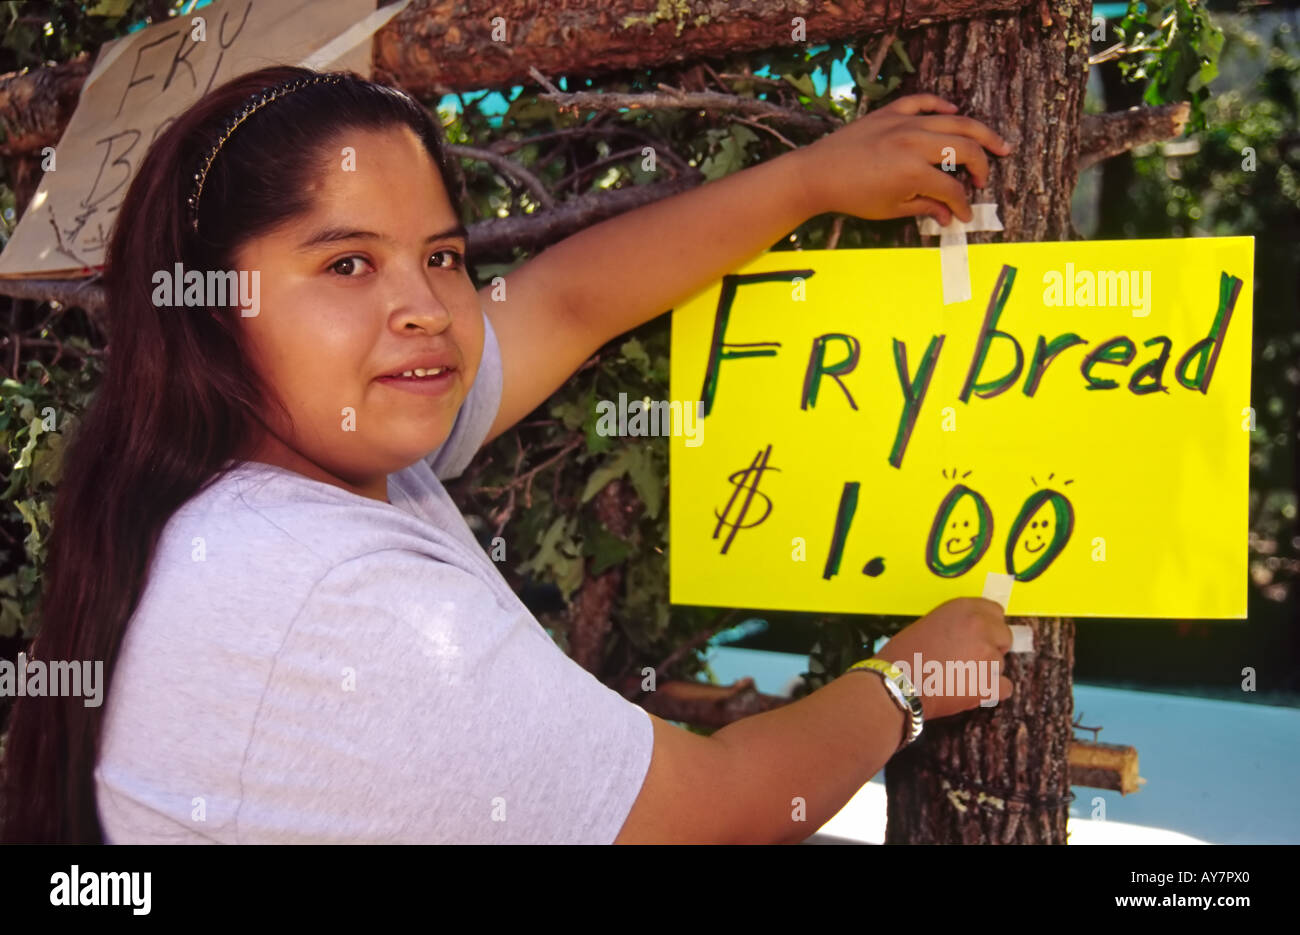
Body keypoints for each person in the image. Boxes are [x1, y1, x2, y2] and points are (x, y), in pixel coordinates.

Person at [0, 65, 1014, 844]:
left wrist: (808, 179)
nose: (426, 309)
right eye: (347, 263)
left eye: (440, 256)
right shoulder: (337, 599)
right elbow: (719, 811)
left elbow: (561, 300)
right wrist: (905, 681)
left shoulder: (272, 479)